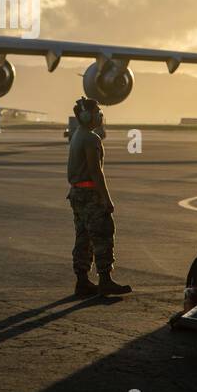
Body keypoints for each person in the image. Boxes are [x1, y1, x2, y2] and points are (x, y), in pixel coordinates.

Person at [67, 97, 131, 297]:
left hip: (77, 193)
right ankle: (105, 280)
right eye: (96, 112)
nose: (100, 116)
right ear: (86, 116)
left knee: (83, 236)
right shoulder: (91, 139)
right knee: (103, 234)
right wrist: (106, 198)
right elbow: (96, 172)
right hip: (89, 194)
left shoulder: (78, 134)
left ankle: (82, 280)